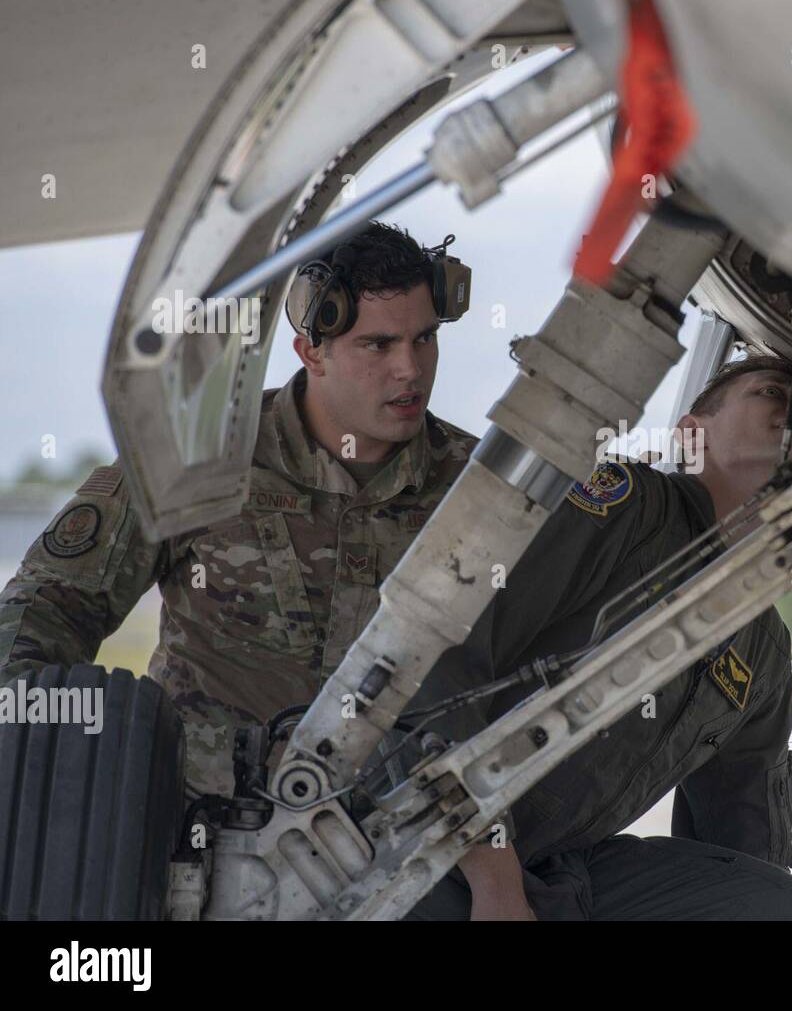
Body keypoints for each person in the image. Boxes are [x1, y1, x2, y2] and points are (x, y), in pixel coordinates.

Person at [0, 221, 476, 797]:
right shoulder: (201, 455)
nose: (410, 368)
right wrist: (69, 765)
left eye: (424, 338)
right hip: (198, 826)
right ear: (311, 352)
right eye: (379, 345)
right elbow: (45, 609)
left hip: (403, 838)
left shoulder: (479, 487)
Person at [409, 354, 792, 921]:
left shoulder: (762, 645)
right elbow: (444, 662)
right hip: (432, 841)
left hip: (565, 873)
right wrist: (496, 882)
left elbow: (743, 840)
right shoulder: (627, 506)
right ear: (691, 436)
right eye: (773, 395)